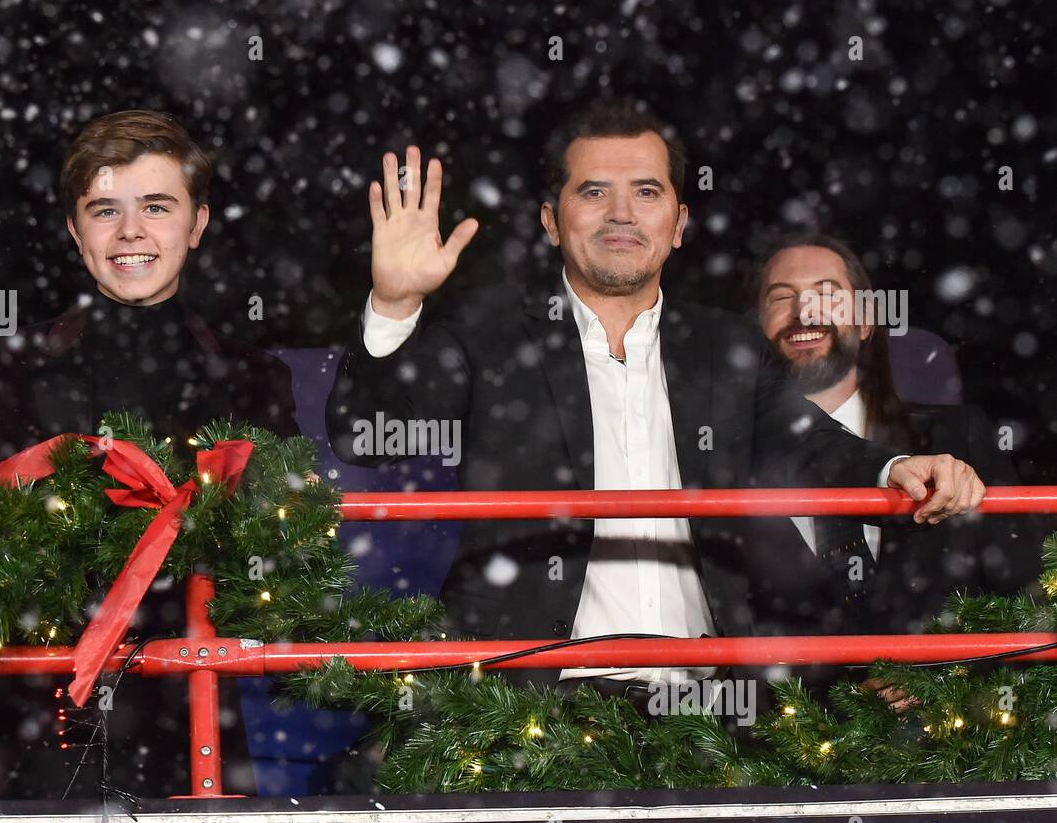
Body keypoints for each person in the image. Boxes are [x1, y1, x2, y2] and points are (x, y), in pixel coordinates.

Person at [326, 98, 986, 703]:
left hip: (707, 711)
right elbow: (364, 434)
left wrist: (889, 469)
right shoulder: (487, 339)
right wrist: (395, 302)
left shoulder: (725, 345)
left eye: (646, 192)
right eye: (594, 192)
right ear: (552, 222)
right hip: (528, 708)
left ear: (678, 223)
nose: (621, 214)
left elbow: (808, 441)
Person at [0, 109, 299, 799]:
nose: (131, 231)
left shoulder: (256, 379)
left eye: (157, 207)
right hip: (9, 717)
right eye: (105, 210)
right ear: (76, 233)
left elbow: (276, 553)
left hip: (179, 709)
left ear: (197, 225)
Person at [744, 233, 1043, 707]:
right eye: (781, 297)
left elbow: (1026, 595)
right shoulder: (728, 461)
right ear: (756, 326)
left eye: (826, 294)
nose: (804, 311)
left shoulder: (957, 436)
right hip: (780, 752)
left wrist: (944, 680)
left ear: (865, 321)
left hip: (954, 750)